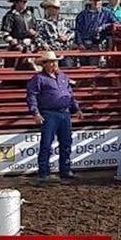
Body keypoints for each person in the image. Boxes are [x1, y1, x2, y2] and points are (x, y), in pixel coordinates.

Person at [27, 50, 83, 179]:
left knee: (66, 143)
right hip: (49, 113)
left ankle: (65, 169)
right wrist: (35, 113)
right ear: (44, 64)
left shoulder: (63, 77)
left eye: (55, 61)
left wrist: (76, 109)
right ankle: (44, 172)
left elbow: (70, 95)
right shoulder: (38, 78)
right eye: (51, 62)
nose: (54, 64)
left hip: (64, 112)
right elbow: (32, 96)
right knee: (46, 143)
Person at [74, 0, 118, 65]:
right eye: (94, 0)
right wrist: (80, 43)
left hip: (97, 43)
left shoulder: (107, 13)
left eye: (98, 1)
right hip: (84, 44)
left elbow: (117, 23)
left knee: (93, 64)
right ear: (90, 1)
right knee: (83, 64)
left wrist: (104, 26)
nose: (96, 3)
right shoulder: (82, 15)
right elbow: (78, 30)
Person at [35, 0, 74, 65]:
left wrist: (66, 37)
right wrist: (45, 45)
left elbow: (72, 32)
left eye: (56, 8)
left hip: (64, 51)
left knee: (67, 66)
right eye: (52, 8)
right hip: (50, 53)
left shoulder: (64, 21)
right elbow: (38, 37)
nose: (54, 10)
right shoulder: (43, 23)